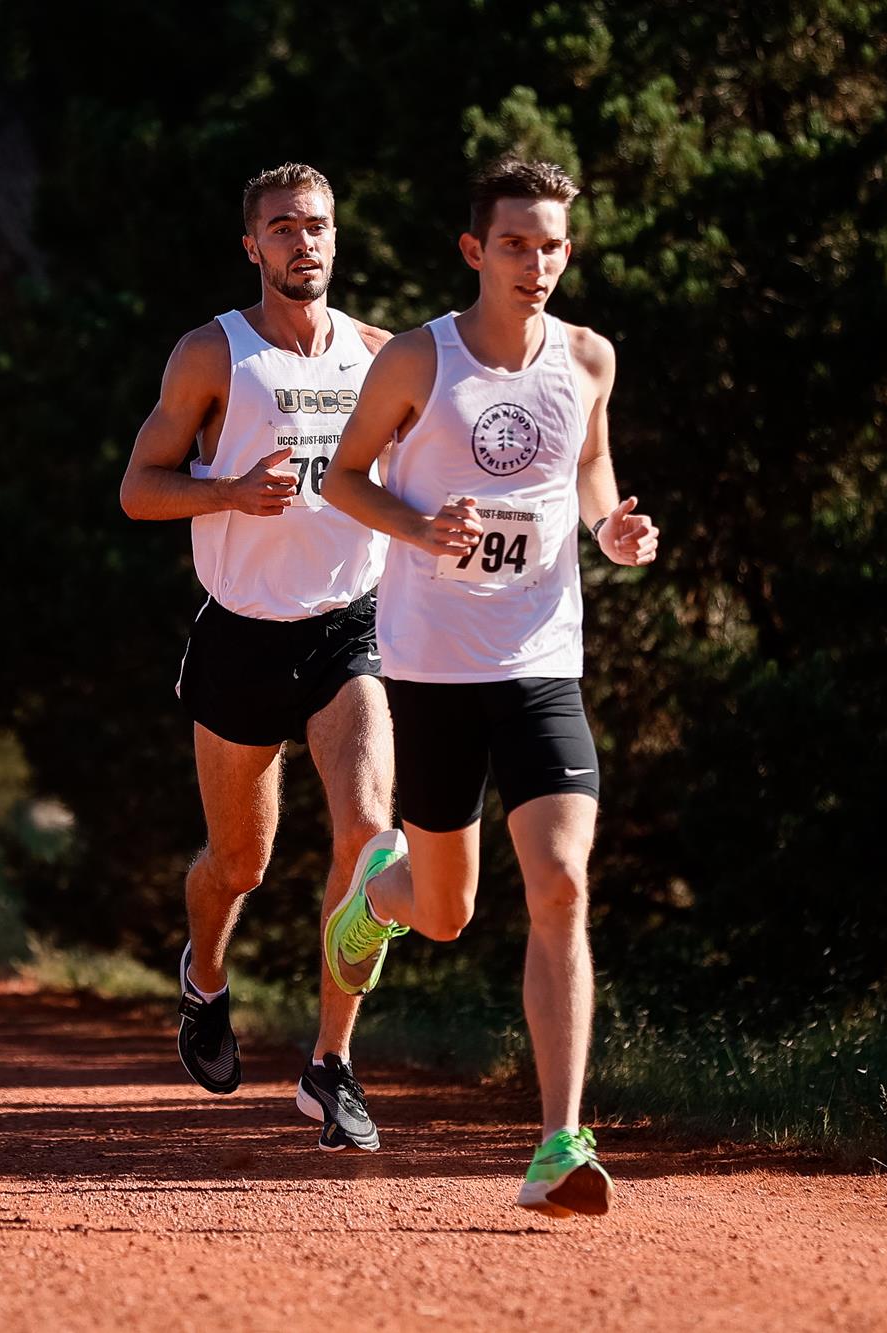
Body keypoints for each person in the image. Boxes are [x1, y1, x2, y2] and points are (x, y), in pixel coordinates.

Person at [320, 158, 660, 1214]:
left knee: (561, 881)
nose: (536, 264)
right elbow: (341, 477)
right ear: (474, 251)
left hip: (539, 662)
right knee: (446, 909)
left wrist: (611, 527)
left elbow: (588, 469)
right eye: (515, 244)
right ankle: (374, 896)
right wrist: (417, 528)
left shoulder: (587, 357)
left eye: (551, 245)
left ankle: (558, 1141)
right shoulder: (420, 359)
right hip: (430, 668)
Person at [119, 162, 394, 1151]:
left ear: (336, 236)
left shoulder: (378, 356)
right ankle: (202, 974)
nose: (302, 242)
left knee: (368, 834)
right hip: (239, 630)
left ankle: (330, 1067)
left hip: (347, 629)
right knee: (239, 861)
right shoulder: (211, 355)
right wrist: (229, 491)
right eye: (281, 227)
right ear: (251, 246)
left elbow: (415, 476)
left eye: (316, 225)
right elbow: (138, 489)